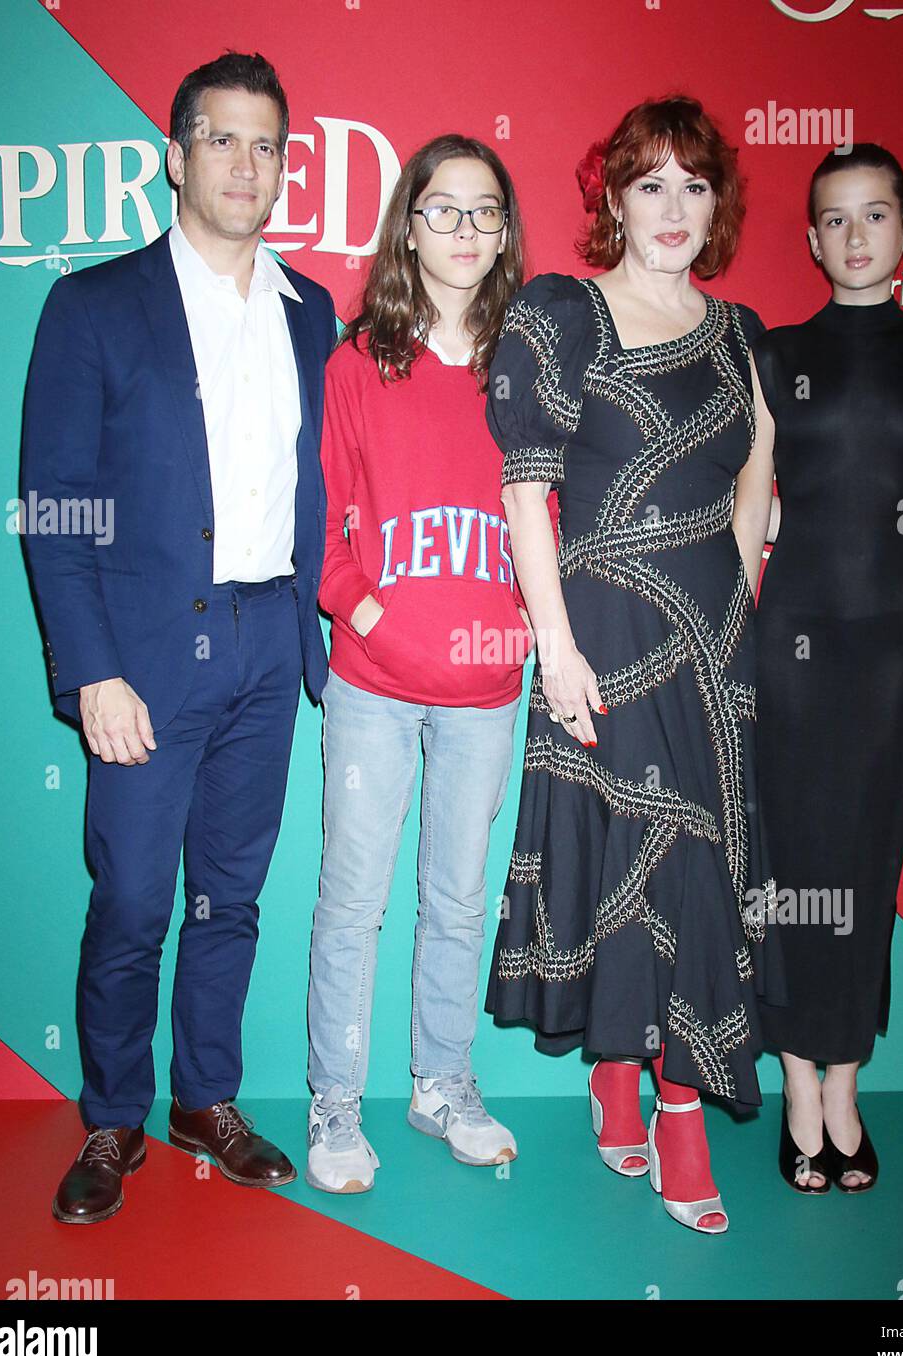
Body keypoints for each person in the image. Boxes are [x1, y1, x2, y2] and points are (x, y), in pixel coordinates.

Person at [21, 52, 337, 1223]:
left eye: (267, 145)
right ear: (177, 154)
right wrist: (92, 667)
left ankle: (207, 1099)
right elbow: (55, 506)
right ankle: (113, 1115)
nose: (247, 165)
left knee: (231, 896)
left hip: (268, 641)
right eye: (224, 140)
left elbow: (324, 491)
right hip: (148, 652)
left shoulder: (314, 313)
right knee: (136, 898)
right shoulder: (95, 304)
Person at [484, 95, 786, 1234]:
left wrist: (744, 602)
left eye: (695, 186)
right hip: (600, 631)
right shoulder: (560, 314)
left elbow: (757, 480)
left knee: (698, 863)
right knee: (633, 851)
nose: (673, 208)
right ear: (612, 197)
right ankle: (658, 1098)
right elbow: (527, 490)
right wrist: (552, 644)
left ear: (719, 207)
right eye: (649, 183)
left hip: (712, 641)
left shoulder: (746, 335)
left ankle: (646, 1081)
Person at [733, 145, 903, 1195]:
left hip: (892, 652)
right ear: (813, 237)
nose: (857, 234)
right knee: (790, 872)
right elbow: (752, 507)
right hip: (790, 644)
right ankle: (796, 1081)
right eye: (835, 218)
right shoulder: (772, 351)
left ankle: (847, 1085)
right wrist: (733, 641)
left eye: (876, 215)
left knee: (865, 874)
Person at [305, 135, 531, 1194]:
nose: (466, 231)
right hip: (374, 688)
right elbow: (323, 528)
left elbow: (551, 517)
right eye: (443, 210)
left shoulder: (527, 367)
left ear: (505, 233)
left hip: (488, 691)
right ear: (409, 223)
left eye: (487, 213)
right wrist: (376, 615)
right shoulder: (358, 363)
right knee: (353, 901)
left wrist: (525, 625)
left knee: (457, 899)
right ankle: (336, 1104)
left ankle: (443, 1082)